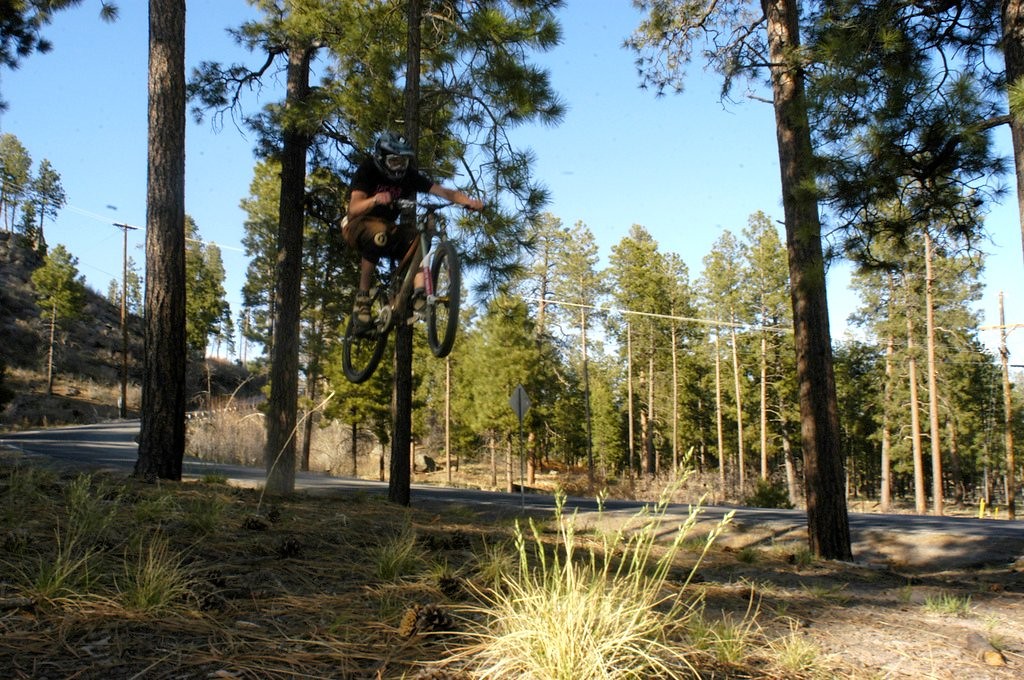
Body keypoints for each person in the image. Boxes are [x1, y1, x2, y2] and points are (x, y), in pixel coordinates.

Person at [341, 131, 483, 330]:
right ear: (382, 158)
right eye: (394, 162)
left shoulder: (408, 176)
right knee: (379, 233)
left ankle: (418, 294)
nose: (399, 167)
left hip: (388, 228)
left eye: (403, 162)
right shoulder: (368, 169)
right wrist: (374, 199)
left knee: (418, 240)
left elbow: (443, 191)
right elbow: (353, 208)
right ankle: (362, 298)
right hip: (356, 225)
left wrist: (467, 202)